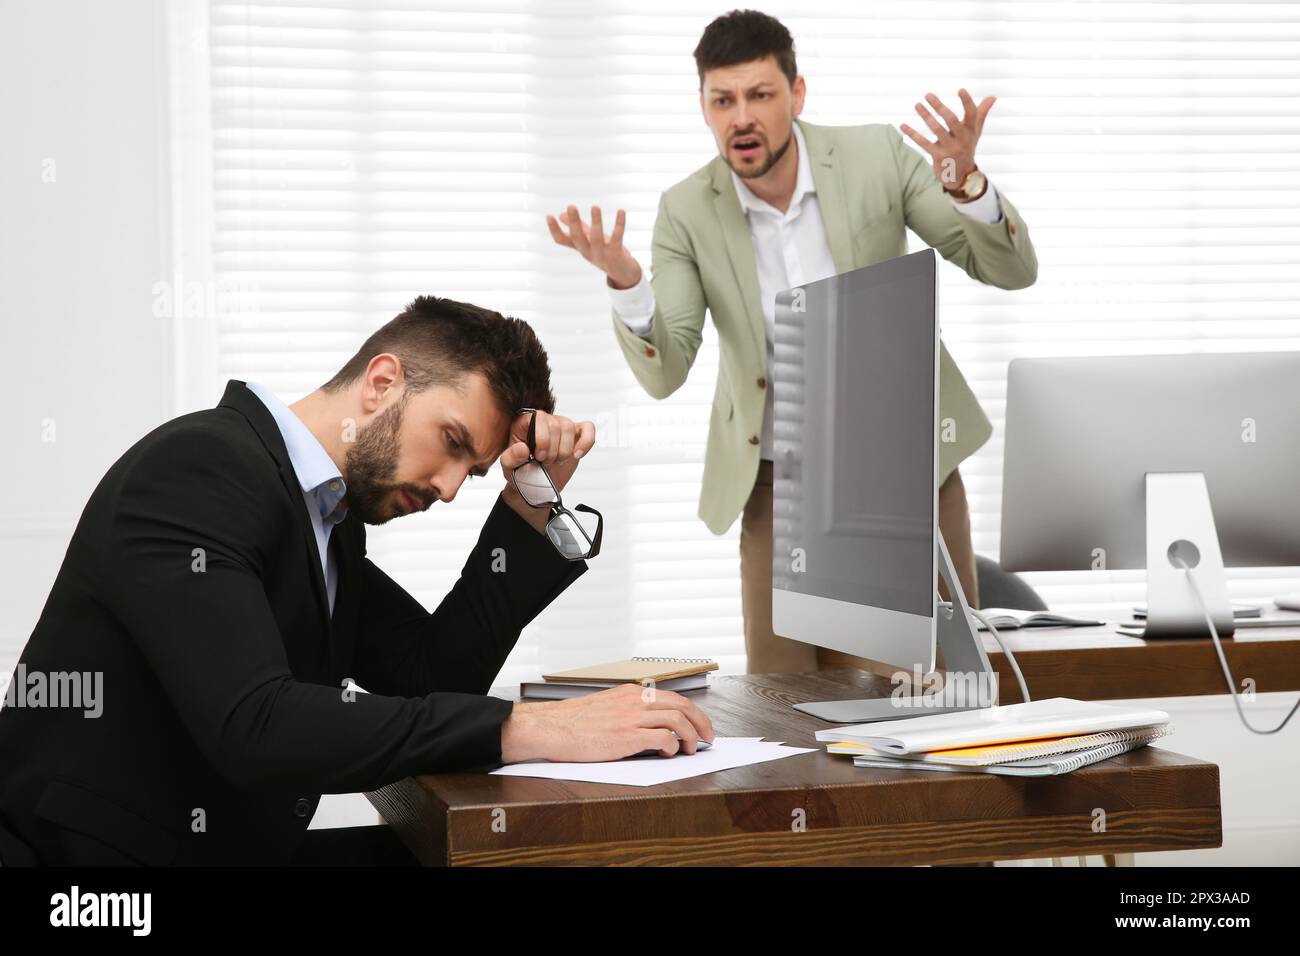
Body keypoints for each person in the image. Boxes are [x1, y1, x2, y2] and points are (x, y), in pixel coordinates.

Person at [0, 295, 712, 866]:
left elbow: (431, 671)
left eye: (473, 469)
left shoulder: (326, 515)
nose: (449, 487)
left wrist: (529, 506)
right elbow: (258, 727)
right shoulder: (203, 470)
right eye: (454, 444)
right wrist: (536, 727)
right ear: (382, 382)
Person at [547, 9, 1037, 675]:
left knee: (940, 689)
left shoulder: (876, 158)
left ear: (797, 94)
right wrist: (628, 284)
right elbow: (668, 370)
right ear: (703, 107)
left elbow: (1009, 270)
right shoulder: (687, 210)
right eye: (723, 100)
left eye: (760, 95)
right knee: (788, 705)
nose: (740, 117)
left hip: (904, 472)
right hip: (782, 487)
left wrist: (967, 188)